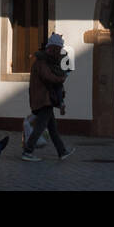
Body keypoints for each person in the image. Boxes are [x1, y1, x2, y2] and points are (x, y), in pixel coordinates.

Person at [22, 34, 74, 162]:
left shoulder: (44, 61)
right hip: (43, 99)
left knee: (52, 128)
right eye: (57, 49)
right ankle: (28, 151)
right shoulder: (41, 62)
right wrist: (62, 78)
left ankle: (62, 151)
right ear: (52, 49)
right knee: (40, 127)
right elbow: (48, 77)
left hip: (45, 99)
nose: (58, 53)